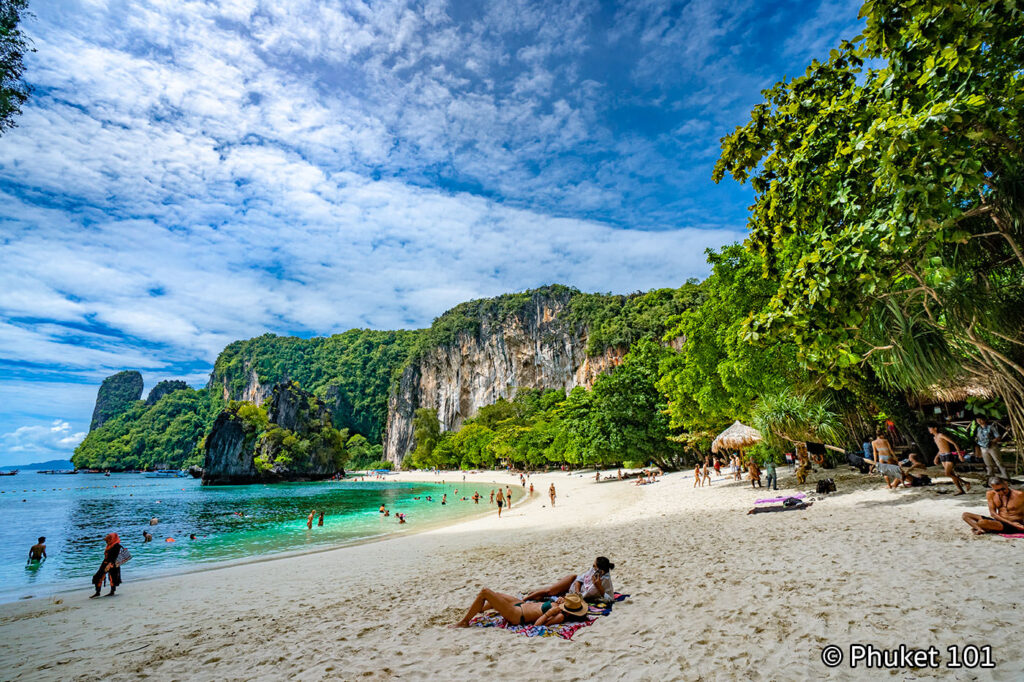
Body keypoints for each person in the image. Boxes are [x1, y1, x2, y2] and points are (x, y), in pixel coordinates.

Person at [453, 590, 589, 628]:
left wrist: (549, 612)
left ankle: (465, 621)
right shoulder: (561, 606)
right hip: (520, 605)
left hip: (517, 615)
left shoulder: (560, 616)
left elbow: (537, 625)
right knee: (497, 595)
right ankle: (478, 608)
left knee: (485, 592)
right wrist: (560, 600)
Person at [525, 556, 615, 603]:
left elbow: (610, 599)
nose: (592, 568)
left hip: (572, 595)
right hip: (572, 582)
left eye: (594, 566)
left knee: (547, 596)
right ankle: (525, 599)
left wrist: (600, 588)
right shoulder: (593, 571)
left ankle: (531, 594)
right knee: (549, 591)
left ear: (601, 571)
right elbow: (579, 580)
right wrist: (577, 591)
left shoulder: (605, 581)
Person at [929, 425, 970, 495]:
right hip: (942, 456)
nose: (929, 430)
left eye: (930, 428)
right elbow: (940, 449)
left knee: (947, 473)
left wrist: (959, 454)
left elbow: (954, 443)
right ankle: (961, 490)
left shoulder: (941, 435)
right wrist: (936, 457)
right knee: (952, 474)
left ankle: (966, 482)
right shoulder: (935, 438)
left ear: (935, 428)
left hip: (948, 455)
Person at [90, 533, 123, 598]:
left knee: (112, 577)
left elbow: (114, 557)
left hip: (113, 563)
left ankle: (112, 591)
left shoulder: (116, 546)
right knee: (98, 576)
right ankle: (97, 592)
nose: (106, 541)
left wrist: (110, 565)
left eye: (108, 539)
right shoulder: (110, 544)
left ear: (112, 539)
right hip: (106, 562)